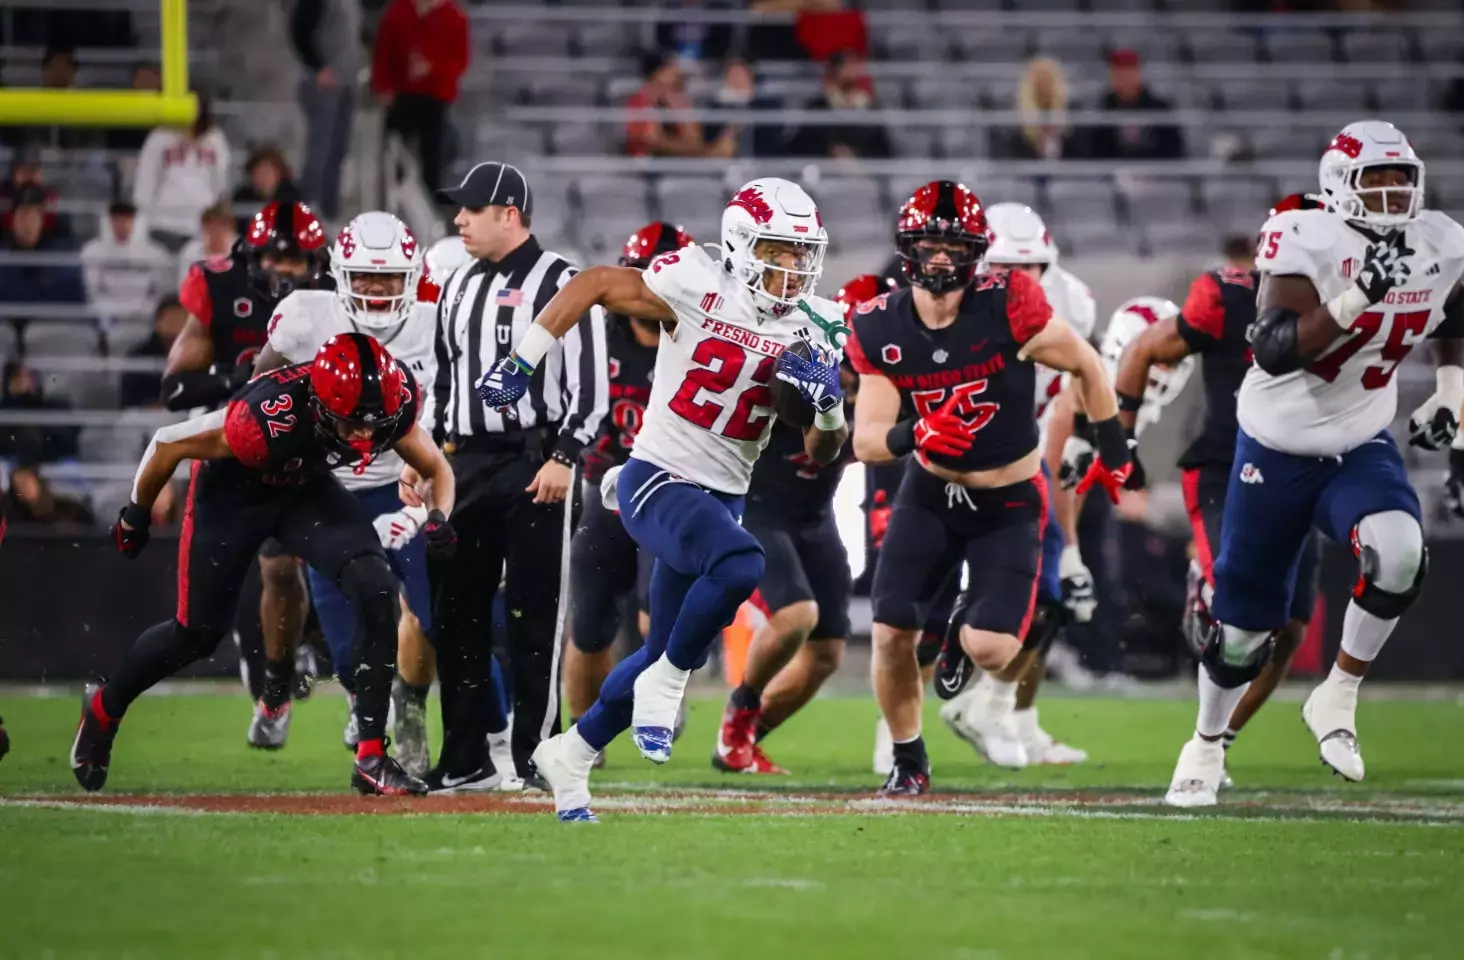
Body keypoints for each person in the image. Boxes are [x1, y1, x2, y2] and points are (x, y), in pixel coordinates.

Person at [486, 177, 847, 821]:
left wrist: (826, 410)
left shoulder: (816, 323)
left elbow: (822, 452)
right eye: (777, 251)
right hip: (654, 476)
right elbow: (596, 282)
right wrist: (523, 360)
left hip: (724, 493)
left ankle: (570, 752)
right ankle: (670, 685)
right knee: (740, 566)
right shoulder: (697, 282)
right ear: (739, 245)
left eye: (800, 255)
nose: (791, 269)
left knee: (659, 648)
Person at [1164, 121, 1464, 807]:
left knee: (1400, 552)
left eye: (1400, 179)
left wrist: (1451, 391)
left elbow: (1454, 309)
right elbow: (1272, 346)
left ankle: (1338, 694)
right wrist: (1357, 297)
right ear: (1339, 185)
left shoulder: (1439, 242)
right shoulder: (1305, 236)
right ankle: (1205, 747)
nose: (1392, 193)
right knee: (1243, 633)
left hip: (1358, 441)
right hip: (1275, 449)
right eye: (1376, 180)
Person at [70, 333, 456, 796]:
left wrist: (437, 517)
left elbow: (436, 467)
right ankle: (104, 708)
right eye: (351, 425)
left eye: (374, 426)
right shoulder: (264, 420)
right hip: (234, 496)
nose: (364, 437)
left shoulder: (387, 402)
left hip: (303, 490)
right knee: (195, 635)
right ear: (319, 404)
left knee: (375, 586)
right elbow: (167, 442)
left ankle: (371, 756)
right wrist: (135, 515)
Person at [847, 180, 1130, 796]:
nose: (942, 258)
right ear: (907, 248)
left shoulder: (1010, 302)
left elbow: (1084, 361)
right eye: (930, 244)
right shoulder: (881, 323)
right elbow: (867, 440)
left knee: (996, 651)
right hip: (931, 491)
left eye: (955, 246)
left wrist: (1113, 445)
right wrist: (916, 431)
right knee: (891, 630)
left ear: (977, 253)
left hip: (1007, 500)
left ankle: (957, 630)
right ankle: (907, 758)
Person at [1111, 205, 1316, 789]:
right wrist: (1123, 440)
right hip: (1231, 465)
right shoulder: (1228, 297)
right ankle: (1209, 580)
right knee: (1239, 605)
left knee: (1290, 628)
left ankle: (1218, 742)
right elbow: (1142, 350)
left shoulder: (1352, 301)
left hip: (1308, 467)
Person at [429, 161, 609, 792]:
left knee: (537, 617)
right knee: (456, 614)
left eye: (470, 210)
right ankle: (464, 755)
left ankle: (538, 756)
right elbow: (444, 380)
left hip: (535, 462)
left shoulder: (560, 280)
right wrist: (425, 460)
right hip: (462, 462)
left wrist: (565, 454)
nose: (458, 220)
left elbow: (591, 386)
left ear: (509, 213)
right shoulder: (455, 283)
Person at [253, 210, 443, 774]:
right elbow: (260, 391)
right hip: (328, 491)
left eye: (388, 277)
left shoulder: (435, 322)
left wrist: (435, 468)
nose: (378, 288)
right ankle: (369, 721)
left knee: (436, 614)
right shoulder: (306, 317)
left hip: (403, 488)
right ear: (339, 274)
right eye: (364, 276)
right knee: (347, 629)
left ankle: (423, 713)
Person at [934, 202, 1097, 769]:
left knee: (1050, 592)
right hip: (950, 449)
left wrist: (1071, 542)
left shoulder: (1071, 303)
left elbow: (1065, 403)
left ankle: (1009, 712)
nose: (1020, 281)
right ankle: (916, 721)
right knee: (915, 590)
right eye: (1007, 266)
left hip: (1025, 456)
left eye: (1033, 268)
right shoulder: (949, 300)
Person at [164, 198, 329, 737]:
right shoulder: (217, 287)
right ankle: (273, 683)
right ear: (251, 255)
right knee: (248, 583)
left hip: (315, 450)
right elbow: (176, 387)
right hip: (232, 454)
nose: (284, 272)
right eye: (275, 260)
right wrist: (245, 385)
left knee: (337, 568)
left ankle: (326, 689)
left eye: (296, 261)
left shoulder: (337, 292)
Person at [713, 278, 863, 776]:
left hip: (816, 519)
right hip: (760, 511)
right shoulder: (796, 363)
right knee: (796, 616)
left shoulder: (883, 385)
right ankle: (739, 712)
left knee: (826, 654)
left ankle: (744, 739)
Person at [566, 222, 693, 741]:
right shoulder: (594, 336)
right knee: (589, 629)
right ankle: (581, 738)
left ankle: (663, 686)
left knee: (656, 617)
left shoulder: (700, 340)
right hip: (605, 493)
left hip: (672, 492)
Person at [371, 0, 470, 194]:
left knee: (432, 160)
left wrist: (431, 68)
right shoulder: (397, 13)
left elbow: (459, 61)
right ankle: (390, 204)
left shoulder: (454, 17)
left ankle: (429, 206)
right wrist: (383, 87)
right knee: (393, 157)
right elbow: (382, 53)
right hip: (400, 96)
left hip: (435, 97)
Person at [289, 0, 361, 221]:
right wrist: (317, 66)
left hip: (346, 82)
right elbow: (299, 29)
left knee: (338, 150)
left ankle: (330, 212)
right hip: (323, 84)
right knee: (320, 149)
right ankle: (310, 210)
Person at [133, 95, 231, 251]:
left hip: (201, 227)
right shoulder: (160, 137)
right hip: (163, 224)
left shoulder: (215, 139)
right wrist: (144, 224)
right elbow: (145, 182)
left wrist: (215, 222)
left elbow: (221, 184)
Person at [80, 200, 173, 324]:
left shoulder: (156, 252)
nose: (122, 224)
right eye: (117, 220)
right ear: (110, 221)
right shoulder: (92, 250)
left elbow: (160, 289)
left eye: (127, 219)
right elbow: (93, 290)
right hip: (109, 307)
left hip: (143, 308)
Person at [790, 49, 892, 160]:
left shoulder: (869, 105)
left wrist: (856, 154)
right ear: (834, 70)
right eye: (846, 66)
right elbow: (804, 144)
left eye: (854, 65)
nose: (852, 71)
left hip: (861, 169)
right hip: (825, 167)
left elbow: (883, 149)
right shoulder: (818, 105)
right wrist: (832, 151)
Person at [1087, 50, 1183, 161]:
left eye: (1128, 71)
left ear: (1138, 73)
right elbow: (1096, 151)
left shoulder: (1160, 109)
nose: (1123, 78)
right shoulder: (1102, 110)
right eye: (1118, 72)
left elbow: (1173, 150)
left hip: (1156, 172)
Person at [994, 57, 1075, 161]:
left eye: (1047, 79)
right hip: (1028, 154)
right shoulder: (1018, 131)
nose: (1044, 85)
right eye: (1039, 80)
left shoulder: (1069, 114)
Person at [121, 296, 189, 409]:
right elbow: (130, 399)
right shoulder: (138, 356)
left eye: (182, 320)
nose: (176, 326)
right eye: (172, 320)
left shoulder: (196, 356)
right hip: (141, 416)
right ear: (158, 322)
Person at [2, 460, 95, 528]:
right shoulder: (14, 519)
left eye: (26, 481)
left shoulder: (70, 510)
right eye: (17, 485)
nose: (23, 487)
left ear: (38, 481)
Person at [231, 147, 298, 236]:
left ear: (278, 174)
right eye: (259, 172)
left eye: (268, 172)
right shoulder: (242, 198)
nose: (264, 177)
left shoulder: (291, 194)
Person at [175, 203, 239, 288]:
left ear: (231, 230)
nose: (216, 234)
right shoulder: (191, 254)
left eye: (221, 229)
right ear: (203, 229)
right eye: (212, 228)